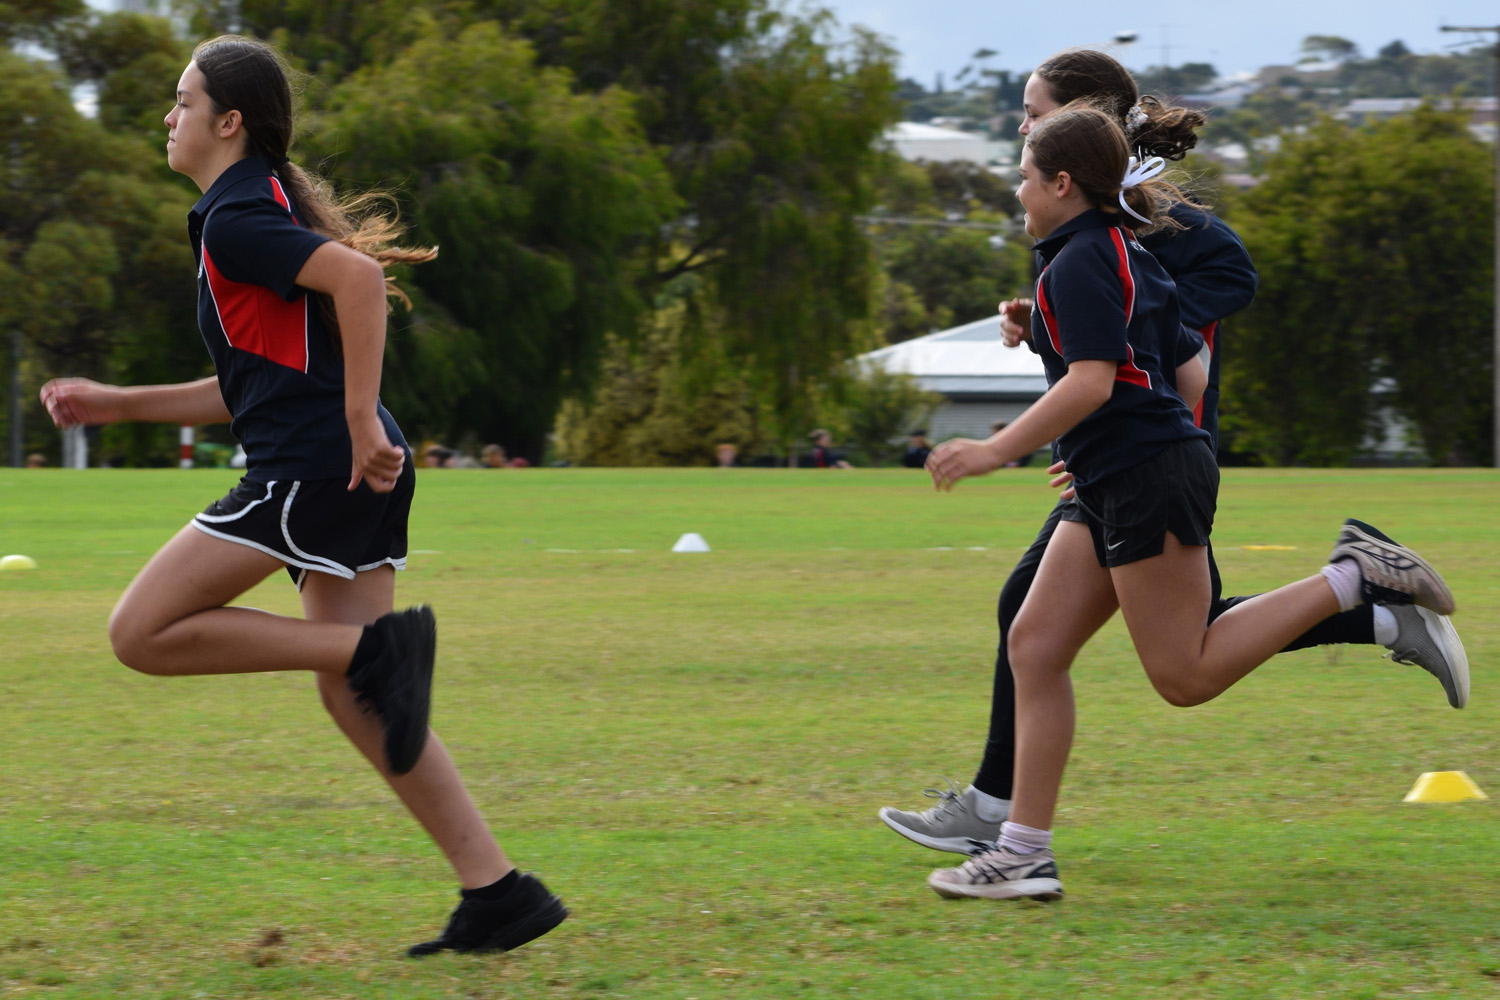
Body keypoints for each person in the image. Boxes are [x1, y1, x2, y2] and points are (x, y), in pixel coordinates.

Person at [37, 36, 565, 955]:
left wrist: (359, 417)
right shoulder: (256, 205)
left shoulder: (238, 219)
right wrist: (119, 405)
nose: (169, 116)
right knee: (363, 697)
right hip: (347, 463)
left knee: (141, 633)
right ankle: (498, 890)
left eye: (182, 100)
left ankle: (370, 649)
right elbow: (251, 383)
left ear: (228, 121)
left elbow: (358, 280)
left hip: (314, 469)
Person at [878, 47, 1467, 858]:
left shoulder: (1116, 232)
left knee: (1186, 661)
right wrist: (1102, 405)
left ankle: (1360, 586)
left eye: (1032, 113)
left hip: (1144, 462)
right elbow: (1174, 358)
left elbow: (1190, 310)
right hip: (1133, 458)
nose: (1021, 133)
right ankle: (1014, 837)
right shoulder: (1094, 233)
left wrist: (1070, 432)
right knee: (1041, 631)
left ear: (1075, 134)